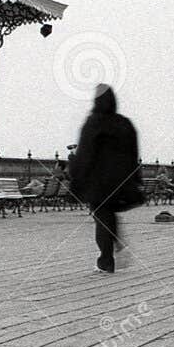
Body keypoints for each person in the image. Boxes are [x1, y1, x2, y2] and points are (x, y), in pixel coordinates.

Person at [68, 84, 142, 274]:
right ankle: (116, 246)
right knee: (108, 214)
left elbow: (85, 153)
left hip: (99, 182)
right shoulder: (125, 124)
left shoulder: (94, 122)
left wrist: (76, 177)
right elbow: (134, 155)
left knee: (102, 216)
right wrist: (135, 180)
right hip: (121, 181)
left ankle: (106, 260)